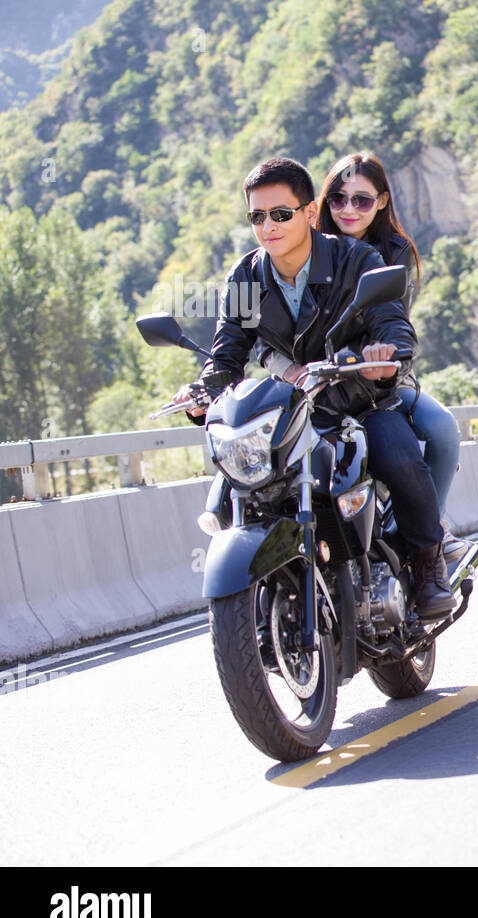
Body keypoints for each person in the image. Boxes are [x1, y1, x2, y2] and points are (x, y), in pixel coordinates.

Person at [181, 156, 455, 620]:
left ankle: (428, 565)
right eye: (257, 216)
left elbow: (395, 327)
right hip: (290, 414)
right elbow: (227, 355)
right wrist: (202, 391)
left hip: (361, 404)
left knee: (399, 454)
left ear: (310, 213)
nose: (267, 226)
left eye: (280, 214)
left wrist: (383, 359)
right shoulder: (246, 277)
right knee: (240, 483)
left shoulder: (357, 261)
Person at [311, 151, 475, 564]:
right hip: (317, 383)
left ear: (382, 201)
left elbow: (392, 321)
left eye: (362, 200)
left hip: (378, 376)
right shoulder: (307, 248)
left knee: (441, 429)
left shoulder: (392, 249)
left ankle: (429, 532)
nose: (348, 209)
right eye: (338, 199)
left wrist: (377, 359)